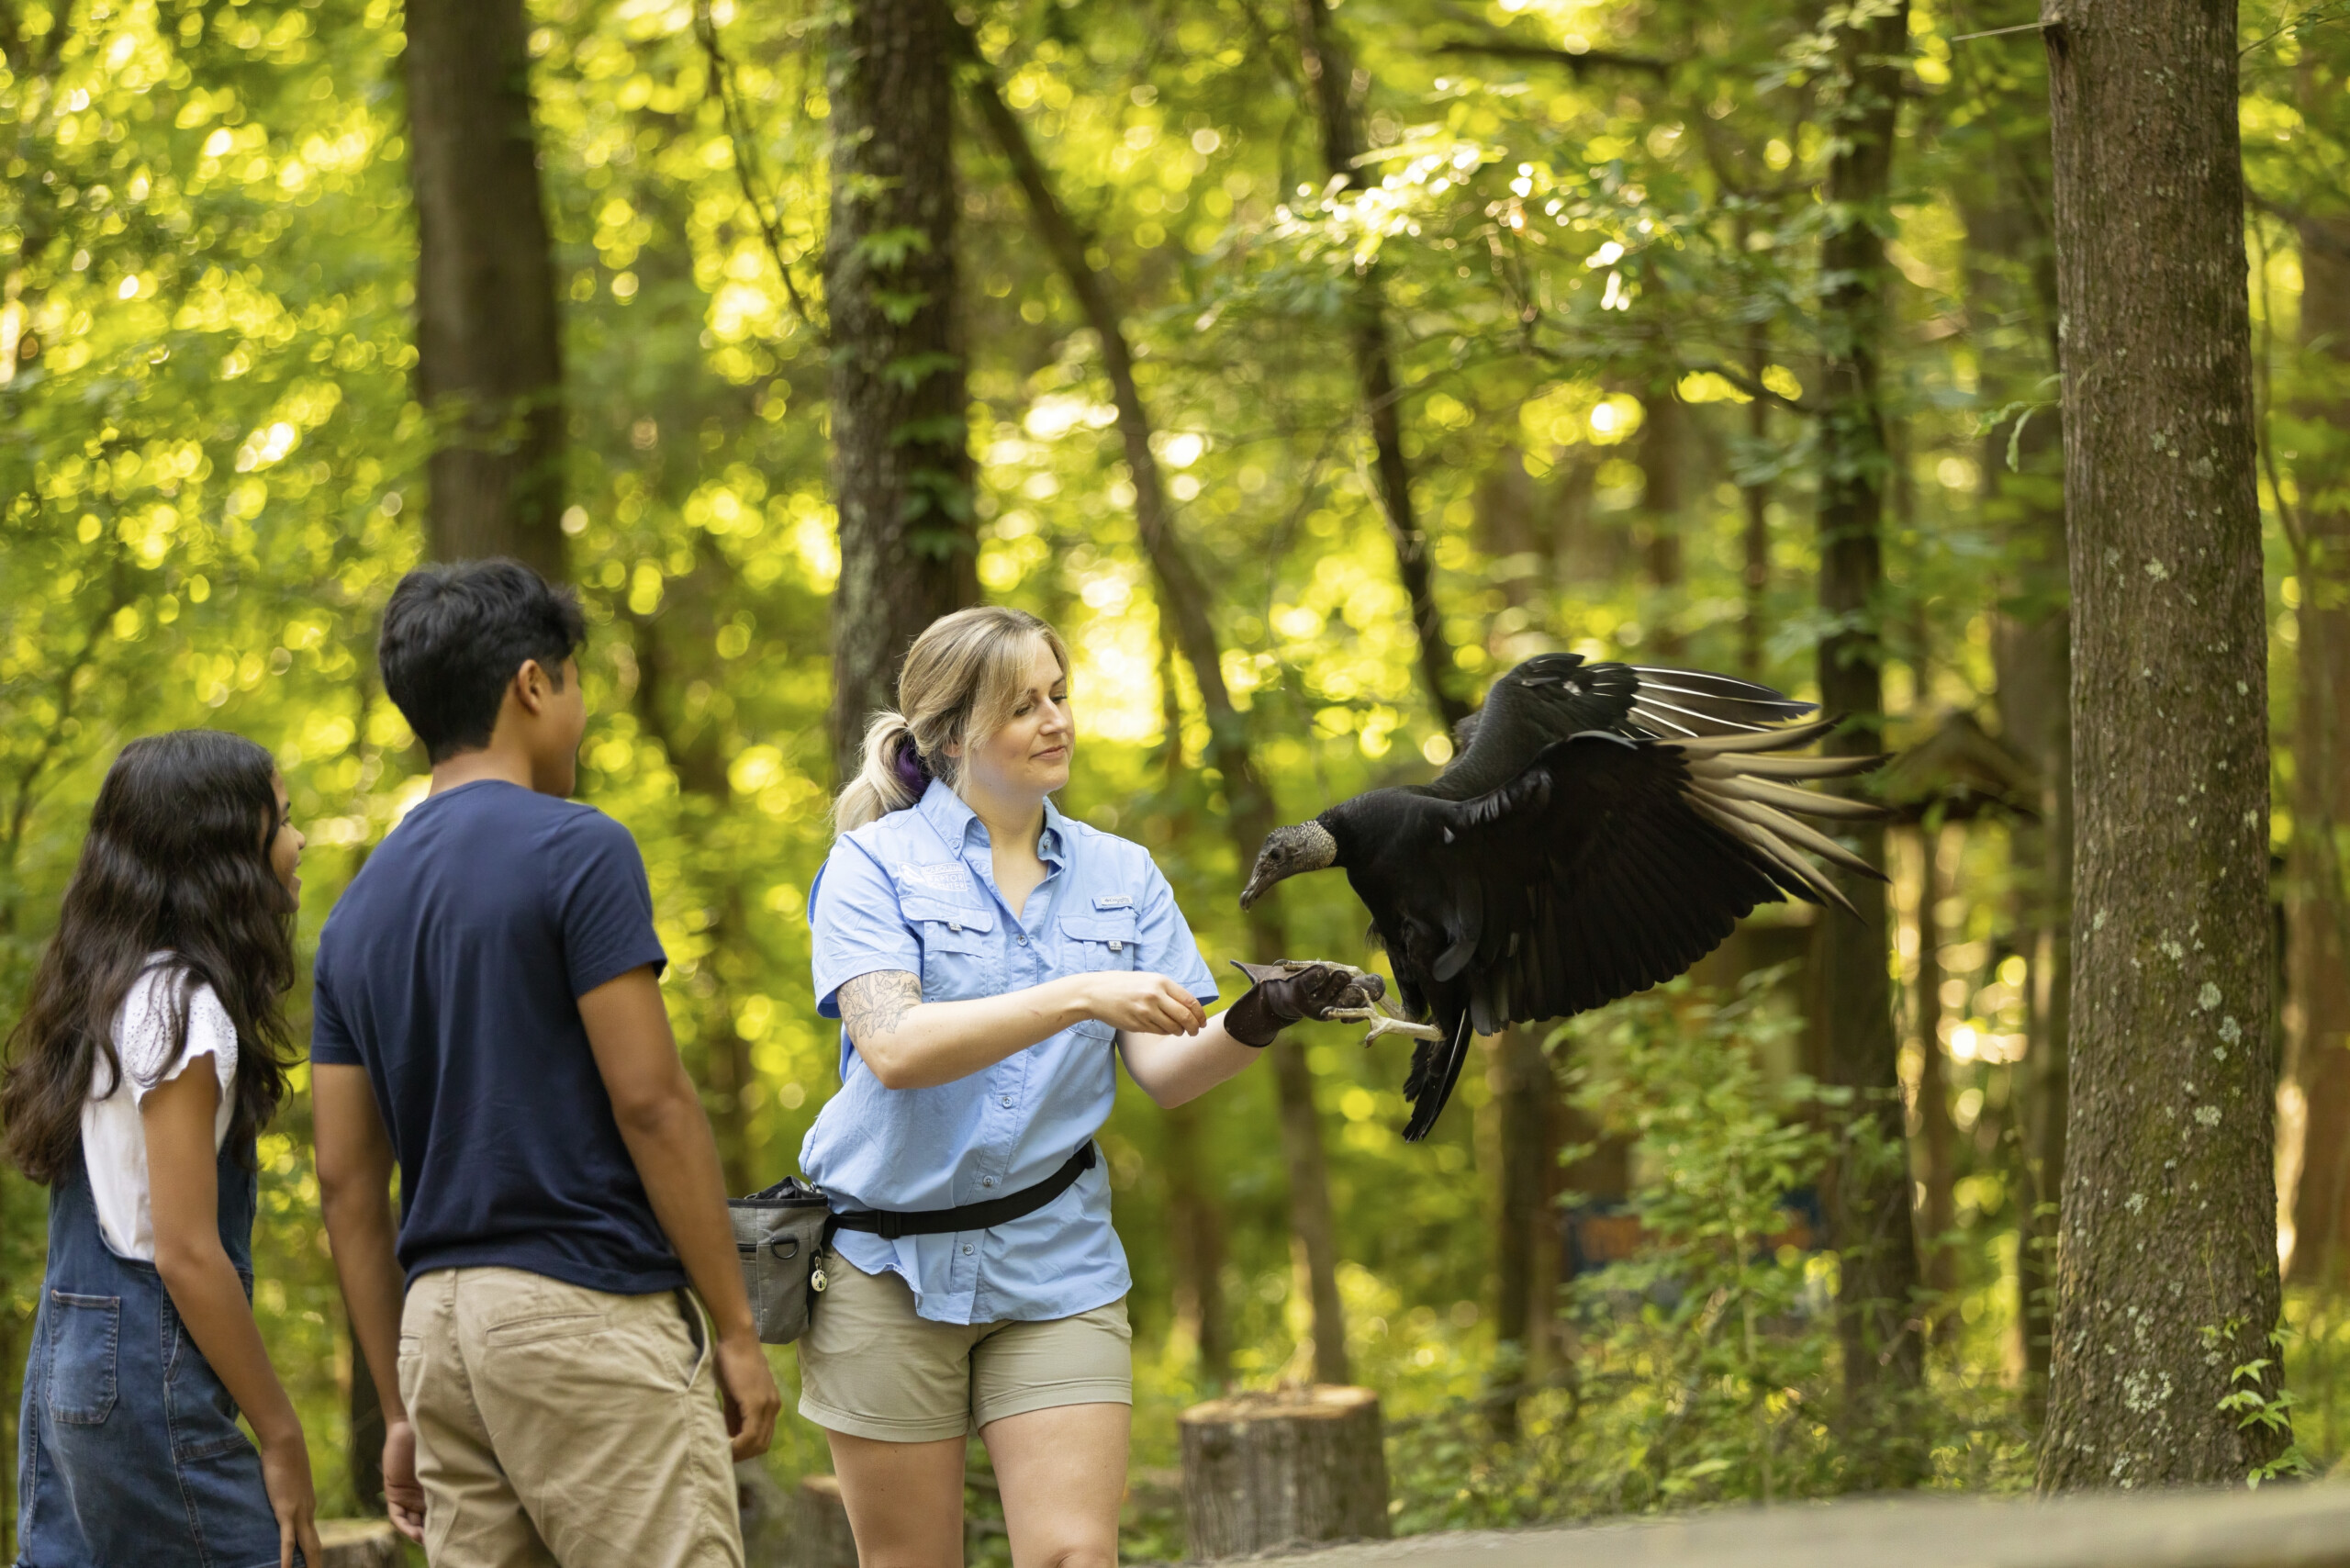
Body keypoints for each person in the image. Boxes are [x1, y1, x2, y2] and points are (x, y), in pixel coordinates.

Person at [800, 605, 1353, 1568]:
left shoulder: (1121, 874)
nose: (1055, 720)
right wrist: (1077, 993)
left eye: (1058, 695)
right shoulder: (869, 865)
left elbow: (1170, 1072)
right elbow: (891, 1045)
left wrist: (1272, 1009)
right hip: (882, 1270)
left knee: (1074, 1556)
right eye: (1023, 705)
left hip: (1053, 1263)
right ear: (952, 732)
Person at [309, 559, 780, 1567]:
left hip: (439, 1336)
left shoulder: (353, 916)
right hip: (585, 1307)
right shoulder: (577, 848)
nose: (579, 714)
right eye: (573, 687)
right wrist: (736, 1328)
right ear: (534, 683)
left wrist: (398, 1406)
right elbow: (651, 1102)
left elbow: (347, 1185)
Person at [4, 730, 322, 1568]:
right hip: (143, 1378)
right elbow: (185, 1252)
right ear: (223, 854)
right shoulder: (183, 1009)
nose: (300, 843)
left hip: (71, 1369)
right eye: (284, 822)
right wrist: (281, 1435)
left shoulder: (110, 990)